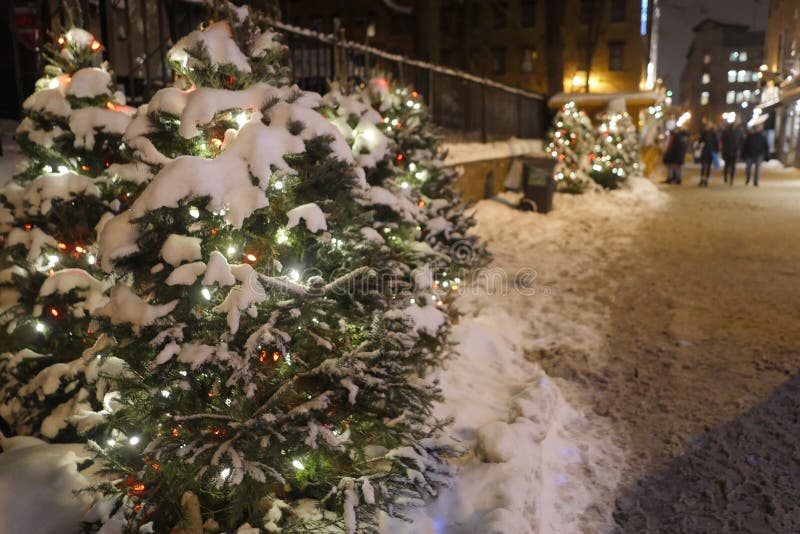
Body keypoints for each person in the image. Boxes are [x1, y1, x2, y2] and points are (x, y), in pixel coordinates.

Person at [720, 120, 744, 184]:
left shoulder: (739, 131)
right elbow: (723, 140)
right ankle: (725, 176)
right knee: (727, 165)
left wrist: (739, 148)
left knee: (733, 166)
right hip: (727, 151)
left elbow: (742, 140)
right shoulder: (727, 130)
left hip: (735, 151)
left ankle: (731, 179)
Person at [698, 123, 719, 187]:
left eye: (709, 126)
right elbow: (700, 141)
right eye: (707, 126)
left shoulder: (714, 133)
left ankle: (706, 180)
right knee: (703, 166)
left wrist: (716, 152)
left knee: (708, 166)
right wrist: (701, 143)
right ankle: (702, 179)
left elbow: (716, 143)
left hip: (710, 152)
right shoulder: (703, 133)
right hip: (704, 152)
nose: (707, 127)